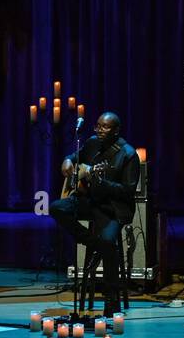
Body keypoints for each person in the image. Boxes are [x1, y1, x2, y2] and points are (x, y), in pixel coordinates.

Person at [49, 111, 141, 316]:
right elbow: (76, 157)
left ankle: (111, 299)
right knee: (56, 207)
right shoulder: (91, 143)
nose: (99, 130)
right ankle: (92, 242)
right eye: (97, 126)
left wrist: (101, 182)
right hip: (91, 201)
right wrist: (67, 160)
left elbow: (127, 191)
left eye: (105, 127)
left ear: (116, 130)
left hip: (114, 208)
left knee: (109, 242)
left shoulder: (128, 154)